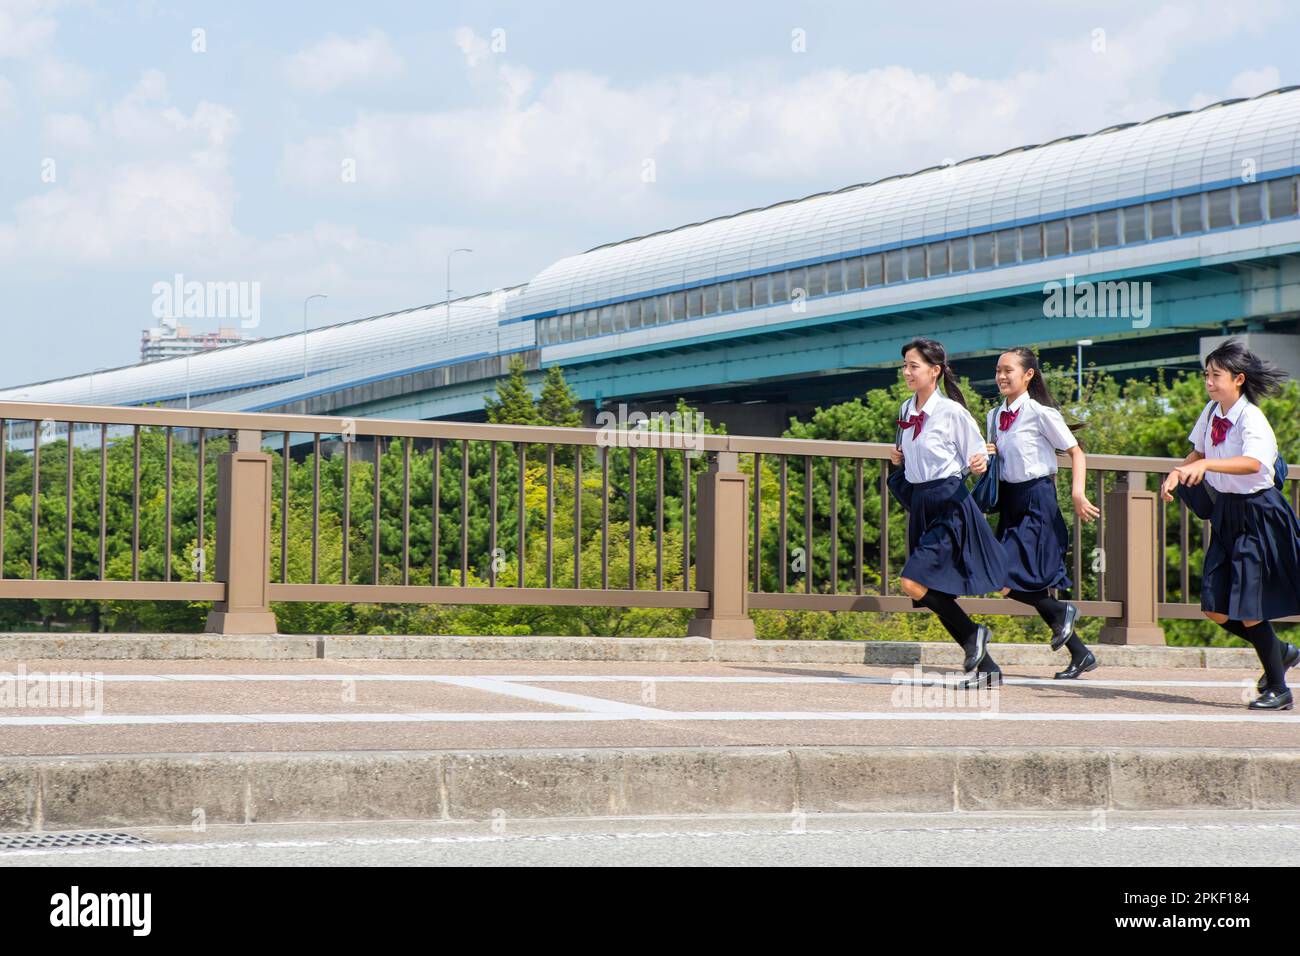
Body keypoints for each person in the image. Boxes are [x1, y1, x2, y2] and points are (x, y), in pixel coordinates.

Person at [1161, 339, 1300, 710]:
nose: (1208, 381)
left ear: (1238, 379)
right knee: (1215, 607)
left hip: (1259, 513)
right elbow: (1199, 451)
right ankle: (1280, 651)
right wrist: (1179, 471)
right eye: (1206, 374)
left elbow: (1253, 463)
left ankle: (1279, 688)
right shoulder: (1211, 412)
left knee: (1251, 608)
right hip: (1227, 514)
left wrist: (1203, 467)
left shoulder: (1251, 417)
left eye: (1215, 375)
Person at [891, 338, 1009, 688]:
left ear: (935, 370)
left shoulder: (953, 412)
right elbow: (910, 455)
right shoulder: (905, 410)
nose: (907, 372)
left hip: (949, 502)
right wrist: (898, 458)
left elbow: (978, 457)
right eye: (905, 366)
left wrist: (979, 462)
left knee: (912, 582)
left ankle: (975, 635)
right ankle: (987, 667)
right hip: (921, 503)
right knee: (927, 586)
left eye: (914, 366)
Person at [985, 348, 1100, 679]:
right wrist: (986, 456)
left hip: (1038, 498)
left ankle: (1065, 618)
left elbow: (1076, 453)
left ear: (1028, 375)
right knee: (1000, 577)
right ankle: (1080, 651)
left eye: (1008, 370)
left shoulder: (1040, 413)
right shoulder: (994, 417)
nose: (1002, 376)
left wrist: (1078, 493)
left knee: (1010, 576)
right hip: (1009, 500)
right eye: (998, 371)